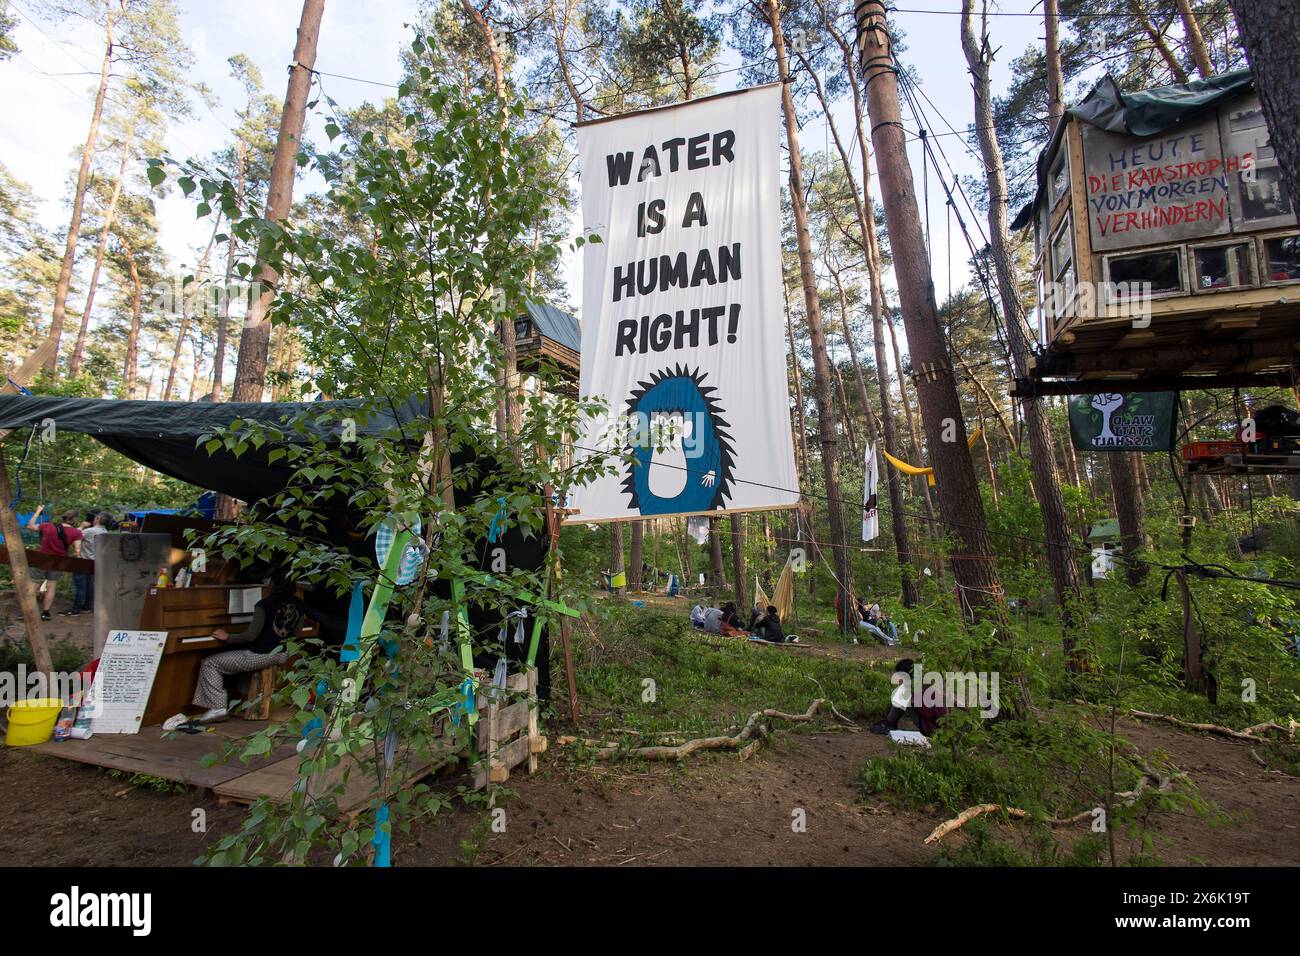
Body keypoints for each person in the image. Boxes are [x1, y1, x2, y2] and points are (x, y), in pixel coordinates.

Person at [191, 574, 305, 722]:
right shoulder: (299, 604)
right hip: (283, 654)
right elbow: (296, 633)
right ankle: (238, 699)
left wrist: (228, 637)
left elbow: (251, 635)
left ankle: (217, 707)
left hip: (260, 656)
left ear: (273, 584)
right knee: (231, 658)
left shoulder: (264, 604)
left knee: (209, 663)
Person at [25, 506, 83, 621]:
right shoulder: (76, 532)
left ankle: (28, 611)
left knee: (34, 585)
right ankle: (45, 612)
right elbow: (77, 551)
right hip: (58, 561)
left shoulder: (48, 526)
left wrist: (37, 512)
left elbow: (30, 526)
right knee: (51, 586)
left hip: (41, 558)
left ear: (63, 517)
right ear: (74, 520)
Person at [871, 658, 945, 737]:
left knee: (903, 694)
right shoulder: (924, 683)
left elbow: (929, 714)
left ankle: (889, 724)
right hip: (938, 728)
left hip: (932, 730)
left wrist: (913, 702)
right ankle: (889, 723)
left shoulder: (921, 688)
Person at [67, 510, 111, 616]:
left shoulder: (90, 531)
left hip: (83, 560)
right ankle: (87, 606)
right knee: (89, 585)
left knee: (80, 585)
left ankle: (76, 609)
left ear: (98, 519)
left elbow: (73, 535)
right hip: (95, 561)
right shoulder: (105, 532)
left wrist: (82, 526)